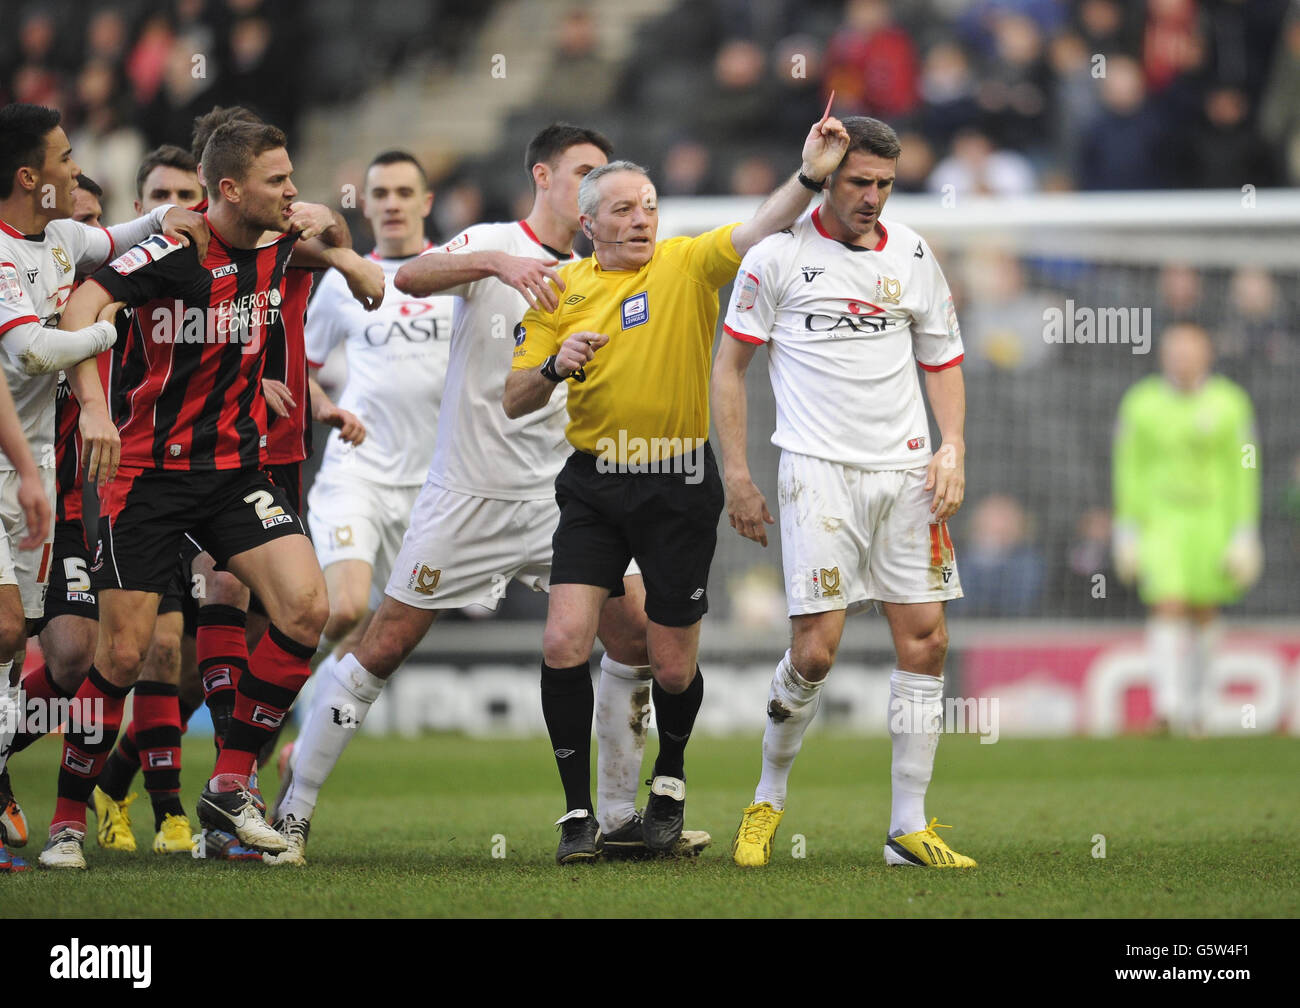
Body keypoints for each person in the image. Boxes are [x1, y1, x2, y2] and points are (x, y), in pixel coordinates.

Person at [273, 124, 709, 866]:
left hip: (562, 498)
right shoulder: (493, 240)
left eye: (609, 178)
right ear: (544, 176)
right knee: (384, 642)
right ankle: (292, 814)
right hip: (468, 491)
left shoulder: (612, 272)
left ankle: (615, 818)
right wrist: (498, 263)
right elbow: (407, 280)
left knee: (634, 633)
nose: (600, 189)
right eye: (584, 172)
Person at [504, 108, 850, 858]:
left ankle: (671, 781)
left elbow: (761, 228)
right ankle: (575, 817)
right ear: (589, 223)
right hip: (594, 482)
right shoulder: (559, 290)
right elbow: (514, 397)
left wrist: (809, 175)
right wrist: (556, 366)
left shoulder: (689, 262)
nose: (641, 221)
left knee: (671, 663)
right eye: (624, 210)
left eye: (650, 207)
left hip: (678, 482)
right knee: (565, 639)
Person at [37, 118, 358, 869]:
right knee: (121, 653)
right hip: (143, 475)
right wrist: (91, 406)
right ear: (230, 191)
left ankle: (230, 783)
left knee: (309, 608)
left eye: (292, 178)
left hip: (232, 473)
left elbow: (315, 238)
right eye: (277, 182)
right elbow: (82, 309)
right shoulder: (175, 251)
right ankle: (65, 820)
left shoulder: (277, 242)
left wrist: (352, 261)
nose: (291, 192)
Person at [713, 115, 976, 869]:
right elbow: (729, 369)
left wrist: (951, 447)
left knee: (926, 636)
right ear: (828, 175)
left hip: (906, 473)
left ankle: (906, 828)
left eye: (886, 184)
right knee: (816, 652)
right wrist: (738, 474)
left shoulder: (916, 254)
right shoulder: (776, 257)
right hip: (817, 473)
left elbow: (944, 359)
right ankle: (766, 799)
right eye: (860, 181)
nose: (873, 197)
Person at [0, 103, 205, 869]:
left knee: (84, 650)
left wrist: (181, 213)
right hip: (22, 472)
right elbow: (28, 354)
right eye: (61, 158)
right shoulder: (9, 261)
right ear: (30, 176)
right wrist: (108, 323)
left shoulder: (63, 241)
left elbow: (124, 234)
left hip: (67, 489)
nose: (74, 167)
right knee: (28, 639)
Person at [300, 149, 451, 696]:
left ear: (426, 202)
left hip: (430, 489)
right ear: (364, 205)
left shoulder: (453, 280)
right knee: (343, 608)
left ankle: (299, 747)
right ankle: (270, 695)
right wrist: (322, 404)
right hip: (356, 471)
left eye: (404, 193)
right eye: (381, 194)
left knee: (372, 643)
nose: (392, 204)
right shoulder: (343, 280)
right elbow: (296, 368)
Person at [1112, 322, 1261, 735]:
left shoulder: (1232, 404)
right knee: (1167, 602)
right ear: (1164, 356)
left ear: (1207, 355)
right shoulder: (1140, 404)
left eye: (1190, 352)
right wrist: (1127, 526)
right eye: (1175, 352)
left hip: (1213, 518)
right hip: (1162, 518)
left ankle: (1201, 706)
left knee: (1204, 609)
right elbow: (1129, 467)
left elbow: (1244, 466)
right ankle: (1168, 708)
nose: (1182, 360)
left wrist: (1244, 530)